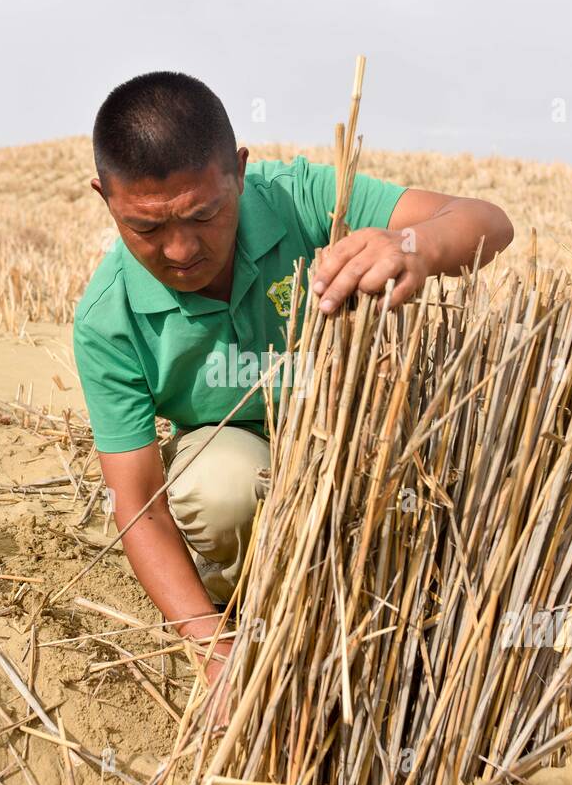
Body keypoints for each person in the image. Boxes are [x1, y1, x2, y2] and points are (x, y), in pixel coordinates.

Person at [73, 71, 513, 687]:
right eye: (145, 228)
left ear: (240, 171)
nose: (179, 250)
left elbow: (486, 221)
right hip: (239, 466)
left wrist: (415, 246)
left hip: (360, 439)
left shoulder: (300, 197)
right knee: (220, 487)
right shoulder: (107, 319)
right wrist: (212, 651)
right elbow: (138, 504)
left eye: (204, 215)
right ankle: (250, 596)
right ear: (105, 197)